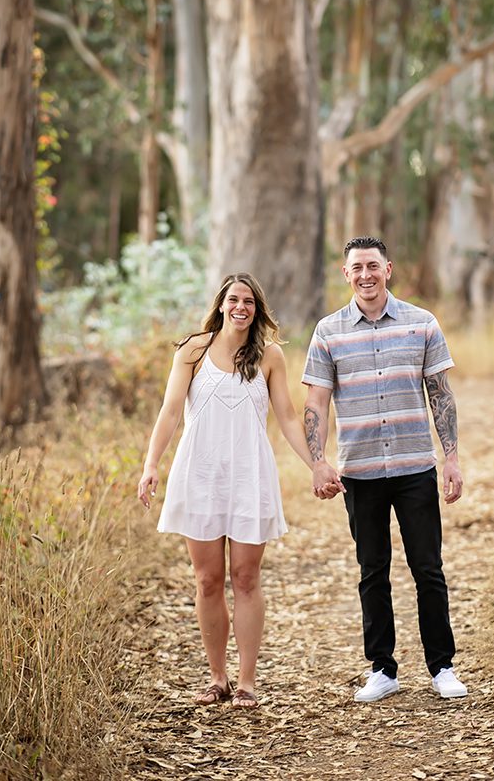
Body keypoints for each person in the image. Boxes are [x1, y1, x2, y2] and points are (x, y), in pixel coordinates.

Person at [138, 272, 343, 709]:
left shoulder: (269, 356)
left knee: (246, 578)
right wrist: (151, 464)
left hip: (250, 476)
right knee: (207, 580)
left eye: (248, 301)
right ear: (221, 304)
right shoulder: (192, 351)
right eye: (233, 299)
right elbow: (170, 411)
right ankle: (218, 678)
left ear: (257, 309)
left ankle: (247, 682)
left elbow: (287, 417)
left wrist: (317, 464)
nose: (240, 307)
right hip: (200, 476)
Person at [302, 237, 467, 702]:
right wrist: (318, 462)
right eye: (357, 267)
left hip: (415, 467)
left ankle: (442, 667)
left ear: (388, 269)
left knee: (428, 568)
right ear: (346, 274)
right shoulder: (328, 332)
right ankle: (382, 669)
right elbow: (316, 402)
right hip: (360, 472)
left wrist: (452, 457)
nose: (366, 275)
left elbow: (440, 394)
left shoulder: (422, 323)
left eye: (373, 266)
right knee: (371, 571)